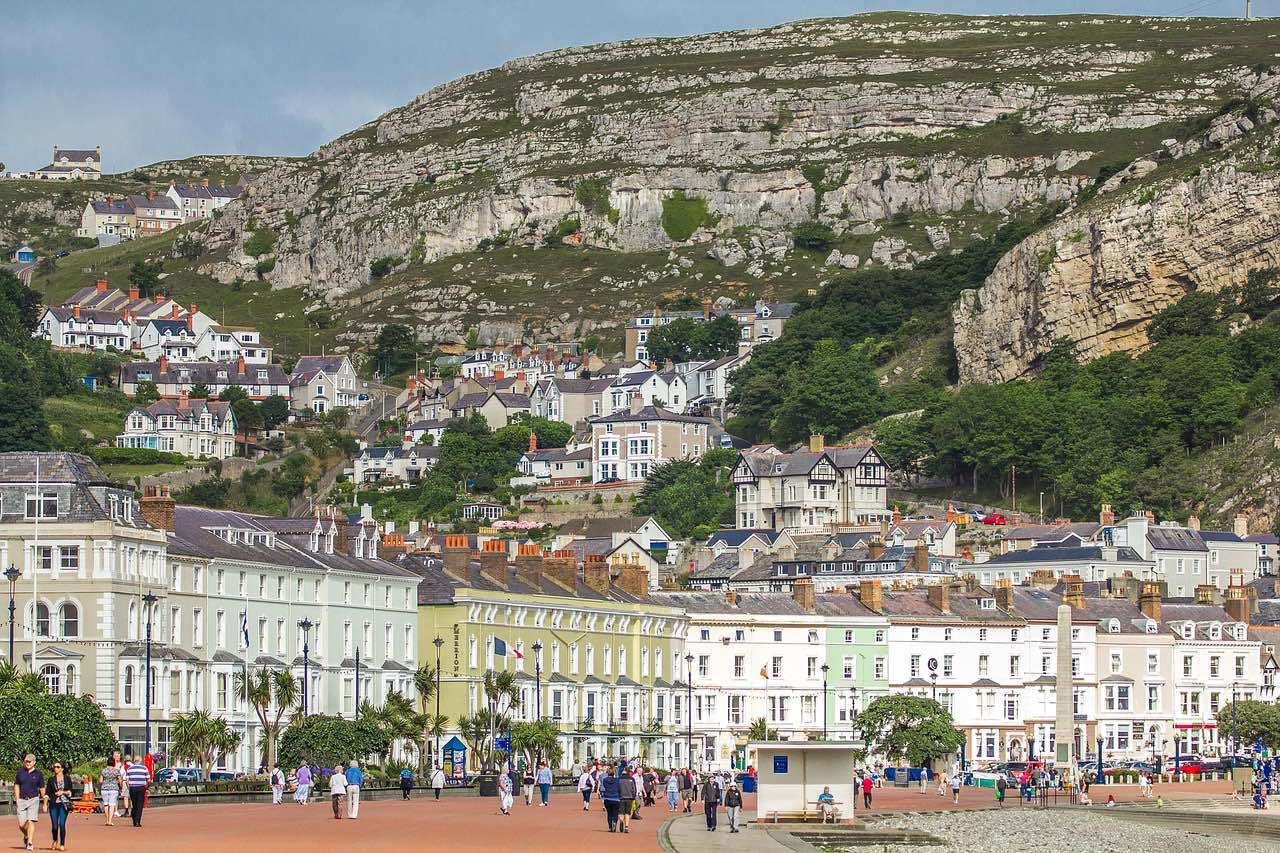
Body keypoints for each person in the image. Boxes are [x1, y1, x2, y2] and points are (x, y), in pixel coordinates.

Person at [14, 754, 44, 852]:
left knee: (31, 820)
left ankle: (30, 842)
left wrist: (44, 800)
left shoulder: (39, 773)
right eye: (26, 761)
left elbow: (42, 787)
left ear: (34, 762)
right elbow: (17, 785)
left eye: (30, 761)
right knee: (21, 825)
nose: (28, 763)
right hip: (22, 800)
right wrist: (17, 799)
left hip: (33, 799)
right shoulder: (20, 772)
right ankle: (26, 835)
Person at [46, 761, 72, 852]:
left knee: (62, 824)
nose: (55, 768)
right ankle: (55, 839)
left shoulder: (67, 779)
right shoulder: (51, 779)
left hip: (64, 804)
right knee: (54, 826)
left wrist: (63, 792)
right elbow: (47, 793)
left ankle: (62, 844)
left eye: (57, 767)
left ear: (62, 768)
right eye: (54, 767)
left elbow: (70, 792)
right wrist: (45, 804)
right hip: (53, 804)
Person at [125, 755, 150, 828]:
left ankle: (134, 820)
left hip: (132, 788)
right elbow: (148, 779)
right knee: (139, 805)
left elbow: (127, 780)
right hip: (141, 788)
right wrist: (147, 787)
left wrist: (129, 787)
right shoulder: (144, 768)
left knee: (134, 804)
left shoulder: (129, 769)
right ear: (140, 761)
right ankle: (137, 821)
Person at [100, 757, 122, 827]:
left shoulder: (103, 770)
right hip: (114, 788)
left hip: (104, 789)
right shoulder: (116, 771)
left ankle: (107, 820)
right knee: (112, 805)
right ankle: (110, 821)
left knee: (106, 804)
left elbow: (100, 781)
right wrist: (119, 785)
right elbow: (120, 780)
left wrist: (104, 783)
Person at [601, 765, 622, 832]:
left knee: (609, 813)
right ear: (614, 774)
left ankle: (610, 827)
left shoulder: (605, 780)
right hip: (616, 798)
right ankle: (615, 823)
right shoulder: (617, 780)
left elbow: (604, 786)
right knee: (615, 813)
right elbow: (619, 788)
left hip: (607, 798)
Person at [618, 766, 637, 834]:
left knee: (621, 812)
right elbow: (634, 789)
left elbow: (618, 788)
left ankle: (621, 821)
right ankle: (626, 827)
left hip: (621, 797)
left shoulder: (619, 779)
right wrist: (633, 796)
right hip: (629, 798)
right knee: (627, 813)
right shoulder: (632, 779)